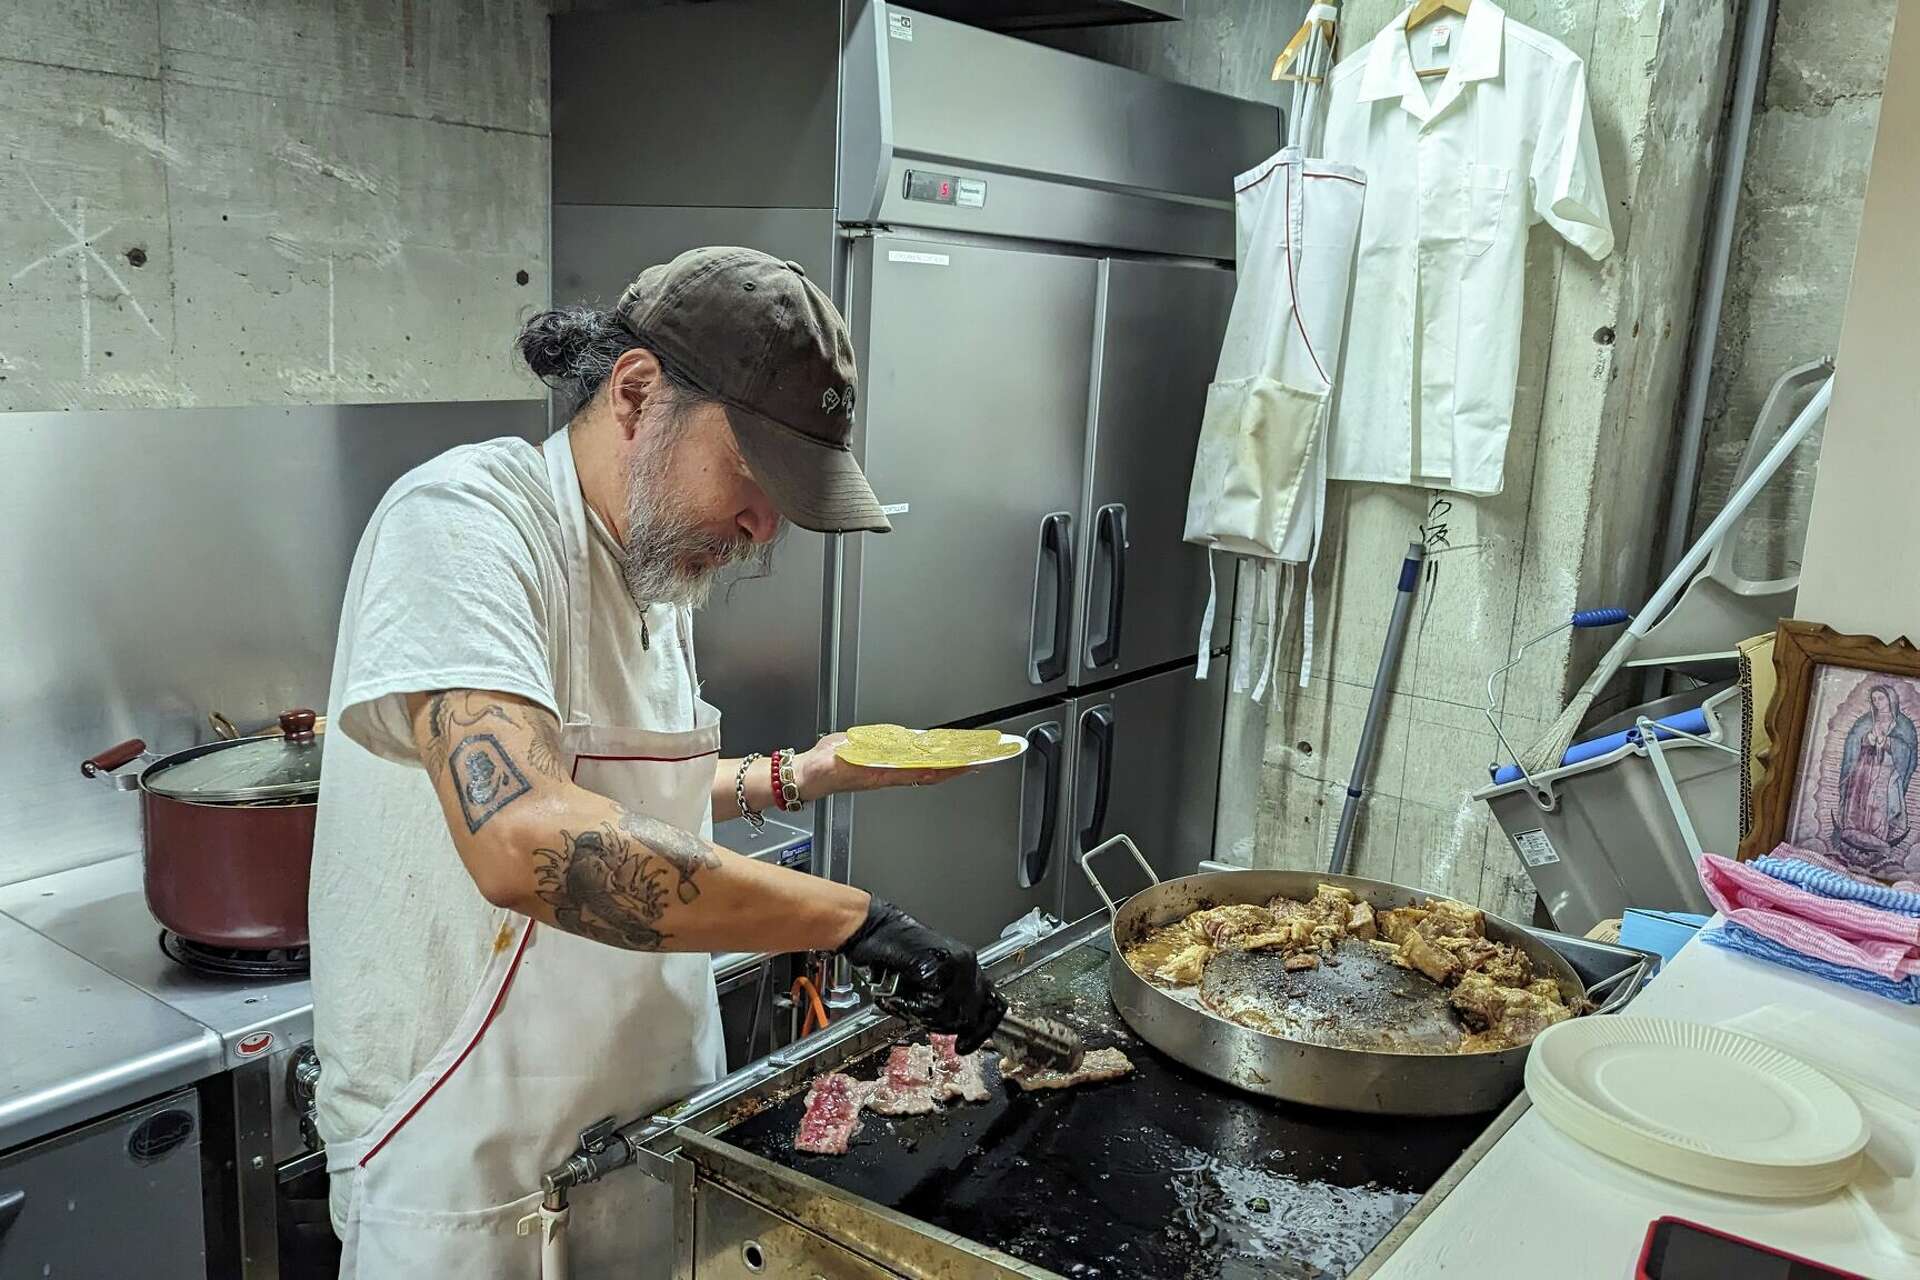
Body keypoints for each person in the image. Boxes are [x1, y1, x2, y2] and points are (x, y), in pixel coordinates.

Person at [308, 247, 1005, 1276]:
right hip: (478, 1188)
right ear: (637, 393)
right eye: (757, 474)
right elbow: (524, 836)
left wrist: (796, 775)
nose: (765, 524)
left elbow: (622, 801)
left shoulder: (653, 571)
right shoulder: (464, 524)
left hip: (654, 1143)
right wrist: (856, 920)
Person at [1832, 682, 1917, 870]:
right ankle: (1853, 831)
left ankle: (1876, 837)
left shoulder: (1903, 725)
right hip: (1863, 768)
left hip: (1887, 771)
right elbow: (1852, 743)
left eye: (1881, 698)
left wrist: (1888, 742)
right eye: (1874, 699)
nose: (1878, 702)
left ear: (1891, 699)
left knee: (1878, 802)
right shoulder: (1865, 721)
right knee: (1858, 798)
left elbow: (1908, 752)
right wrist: (1865, 740)